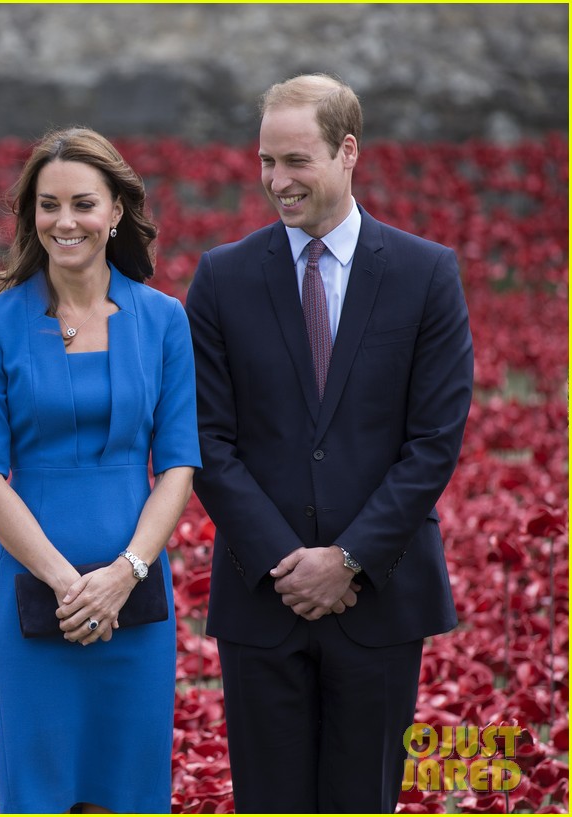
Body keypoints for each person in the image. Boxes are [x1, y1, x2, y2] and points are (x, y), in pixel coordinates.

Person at [185, 74, 474, 812]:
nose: (277, 180)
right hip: (262, 597)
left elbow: (434, 441)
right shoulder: (221, 277)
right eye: (266, 161)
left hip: (380, 597)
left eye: (296, 160)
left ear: (348, 151)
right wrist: (288, 563)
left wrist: (347, 560)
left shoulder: (425, 273)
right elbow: (207, 439)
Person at [0, 126, 200, 813]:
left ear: (116, 210)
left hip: (137, 597)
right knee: (39, 792)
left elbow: (179, 465)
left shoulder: (164, 320)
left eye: (83, 204)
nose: (65, 222)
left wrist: (124, 574)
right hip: (37, 597)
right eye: (49, 205)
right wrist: (69, 586)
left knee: (131, 792)